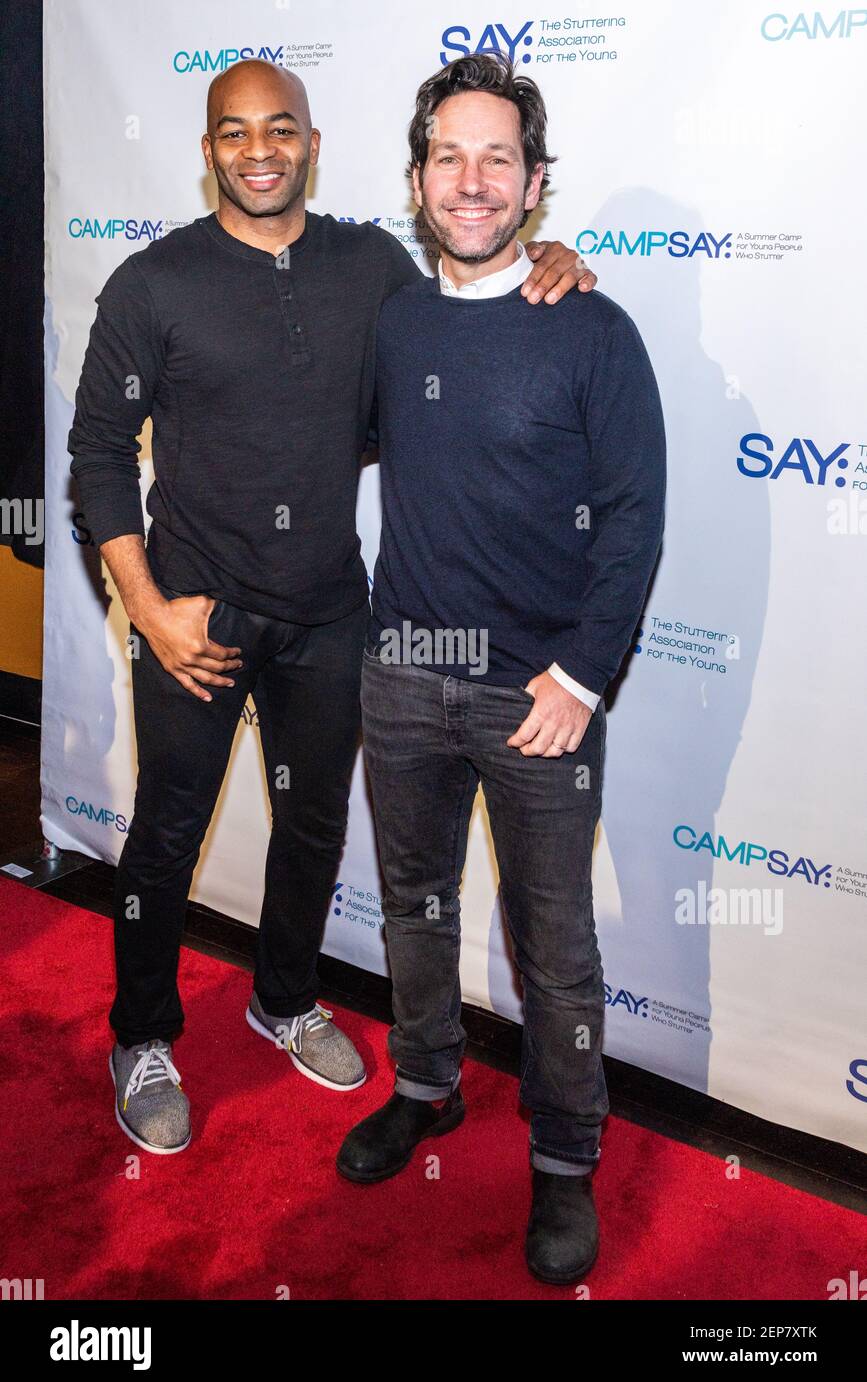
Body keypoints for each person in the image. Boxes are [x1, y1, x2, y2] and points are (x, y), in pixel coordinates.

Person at [67, 57, 594, 1156]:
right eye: (234, 132)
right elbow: (99, 458)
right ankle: (142, 1033)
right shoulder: (149, 283)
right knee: (164, 837)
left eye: (281, 130)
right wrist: (151, 611)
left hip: (327, 614)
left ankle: (285, 997)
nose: (259, 150)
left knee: (311, 826)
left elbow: (467, 307)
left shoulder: (373, 267)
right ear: (208, 148)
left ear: (313, 142)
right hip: (195, 619)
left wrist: (548, 258)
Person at [336, 54, 666, 1285]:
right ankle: (426, 1084)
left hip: (538, 696)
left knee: (555, 945)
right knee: (415, 909)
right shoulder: (395, 315)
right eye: (447, 157)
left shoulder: (592, 327)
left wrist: (581, 679)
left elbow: (633, 516)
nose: (470, 182)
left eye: (497, 159)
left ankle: (567, 1157)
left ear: (536, 183)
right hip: (404, 672)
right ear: (419, 178)